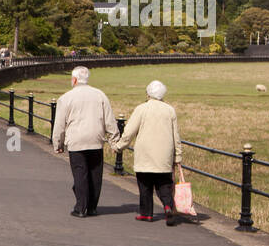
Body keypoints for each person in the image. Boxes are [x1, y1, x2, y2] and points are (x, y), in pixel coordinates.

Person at [112, 80, 184, 225]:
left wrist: (119, 146)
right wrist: (178, 156)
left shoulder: (141, 109)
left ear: (148, 94)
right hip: (164, 154)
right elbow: (176, 135)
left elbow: (129, 132)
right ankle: (168, 206)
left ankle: (146, 214)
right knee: (164, 183)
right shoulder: (170, 110)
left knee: (145, 184)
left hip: (145, 153)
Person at [51, 65, 117, 217]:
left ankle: (80, 207)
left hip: (76, 141)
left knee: (80, 174)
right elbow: (110, 121)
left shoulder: (66, 98)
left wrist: (58, 144)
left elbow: (60, 124)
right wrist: (114, 141)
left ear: (74, 79)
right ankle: (92, 207)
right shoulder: (100, 95)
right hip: (96, 139)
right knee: (95, 174)